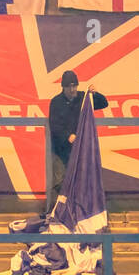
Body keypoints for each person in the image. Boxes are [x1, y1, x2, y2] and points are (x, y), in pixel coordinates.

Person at [46, 70, 108, 214]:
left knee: (81, 181)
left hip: (79, 150)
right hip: (61, 150)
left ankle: (77, 212)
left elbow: (104, 103)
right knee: (59, 182)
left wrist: (94, 94)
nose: (73, 89)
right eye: (70, 87)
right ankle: (56, 213)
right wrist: (68, 136)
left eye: (75, 86)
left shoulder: (83, 97)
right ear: (63, 87)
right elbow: (54, 125)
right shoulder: (56, 102)